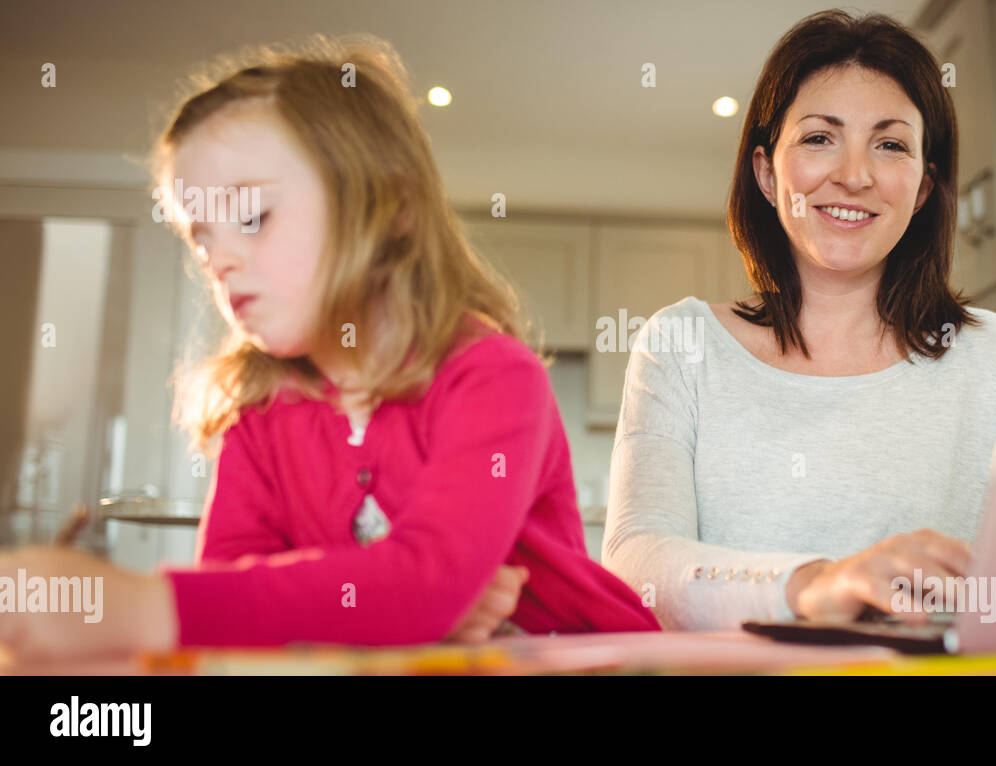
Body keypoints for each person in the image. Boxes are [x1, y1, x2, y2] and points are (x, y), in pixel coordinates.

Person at [0, 36, 658, 662]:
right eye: (201, 238)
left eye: (252, 216)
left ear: (390, 207)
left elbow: (424, 582)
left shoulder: (493, 377)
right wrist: (388, 611)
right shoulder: (257, 416)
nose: (219, 259)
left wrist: (146, 605)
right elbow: (234, 605)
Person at [602, 12, 996, 630]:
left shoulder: (994, 355)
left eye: (890, 144)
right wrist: (812, 585)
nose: (854, 176)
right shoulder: (681, 344)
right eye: (819, 138)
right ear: (767, 174)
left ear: (924, 188)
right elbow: (636, 561)